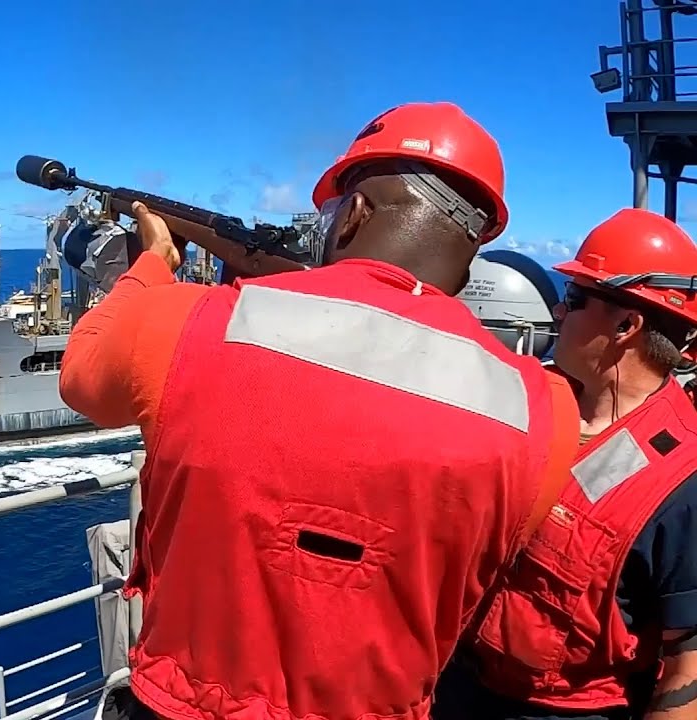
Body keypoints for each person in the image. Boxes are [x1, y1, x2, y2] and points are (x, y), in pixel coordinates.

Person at [60, 101, 581, 720]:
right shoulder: (544, 410)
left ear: (356, 211)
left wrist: (152, 262)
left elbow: (83, 376)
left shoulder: (190, 320)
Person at [432, 208, 697, 720]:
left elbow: (687, 666)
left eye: (575, 300)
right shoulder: (522, 399)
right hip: (458, 684)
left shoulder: (681, 478)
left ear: (627, 325)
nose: (557, 313)